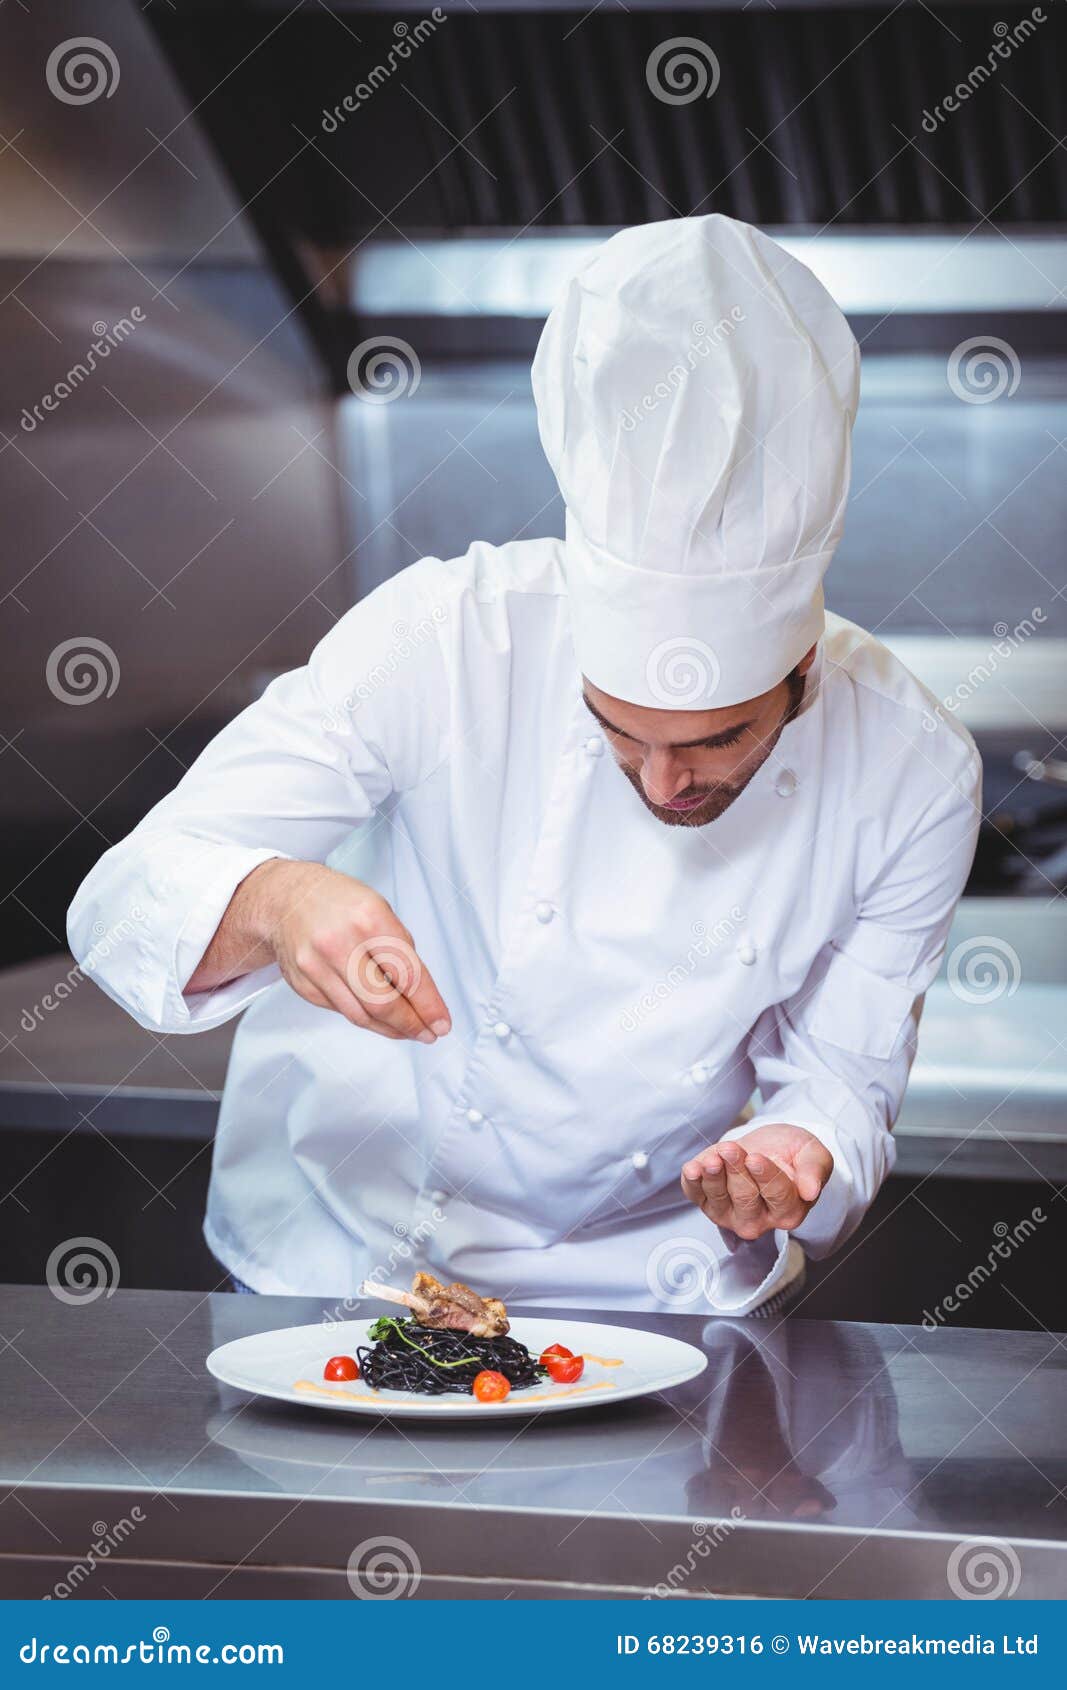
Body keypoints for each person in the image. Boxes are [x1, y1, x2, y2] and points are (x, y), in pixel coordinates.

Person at [67, 215, 980, 1316]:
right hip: (342, 1264)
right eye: (615, 729)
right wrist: (274, 899)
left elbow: (844, 1075)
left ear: (799, 667)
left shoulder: (911, 767)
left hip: (658, 1289)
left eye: (717, 740)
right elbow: (125, 895)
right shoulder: (446, 635)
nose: (658, 784)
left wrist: (796, 1147)